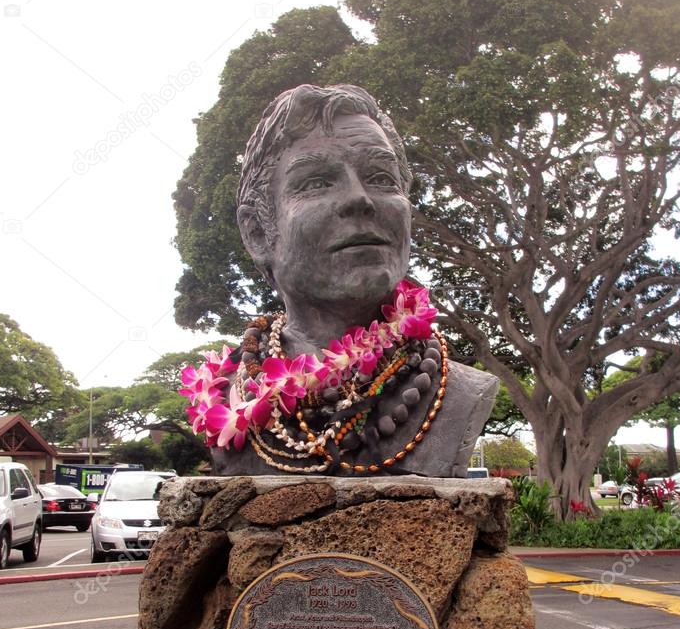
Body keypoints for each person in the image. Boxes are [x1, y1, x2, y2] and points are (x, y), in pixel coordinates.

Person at [183, 83, 498, 477]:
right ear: (258, 233)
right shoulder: (226, 397)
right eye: (315, 183)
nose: (359, 199)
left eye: (381, 177)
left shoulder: (460, 392)